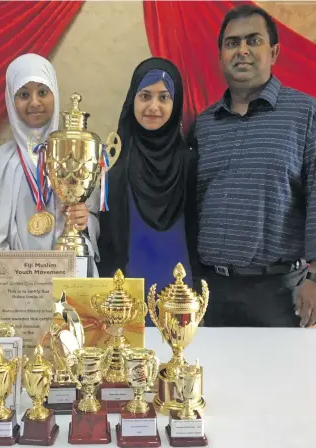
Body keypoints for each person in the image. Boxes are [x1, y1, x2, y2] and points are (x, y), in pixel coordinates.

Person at [187, 5, 316, 327]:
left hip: (282, 294)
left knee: (279, 378)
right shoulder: (204, 124)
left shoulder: (305, 113)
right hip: (211, 292)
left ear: (273, 52)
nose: (242, 50)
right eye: (232, 43)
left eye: (253, 40)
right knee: (214, 377)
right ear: (220, 55)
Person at [0, 54, 100, 274]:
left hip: (71, 273)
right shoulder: (1, 161)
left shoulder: (79, 153)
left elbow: (94, 220)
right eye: (24, 94)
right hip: (19, 284)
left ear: (54, 94)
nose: (34, 102)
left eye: (43, 92)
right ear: (10, 99)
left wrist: (86, 221)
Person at [98, 57, 194, 305]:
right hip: (125, 294)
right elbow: (104, 237)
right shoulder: (114, 160)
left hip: (181, 293)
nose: (154, 106)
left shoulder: (189, 161)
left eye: (164, 97)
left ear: (176, 103)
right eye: (145, 96)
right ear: (132, 100)